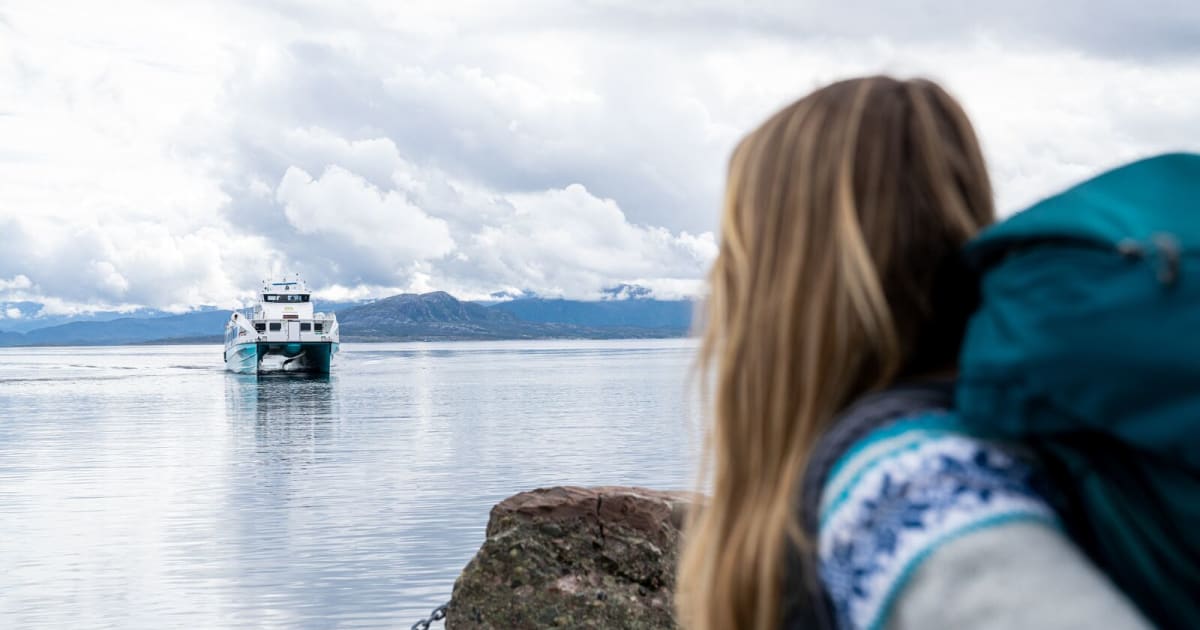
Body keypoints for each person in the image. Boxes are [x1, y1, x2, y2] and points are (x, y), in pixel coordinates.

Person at [675, 76, 1152, 630]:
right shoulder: (1000, 429)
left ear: (785, 282)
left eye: (737, 249)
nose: (720, 277)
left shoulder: (904, 490)